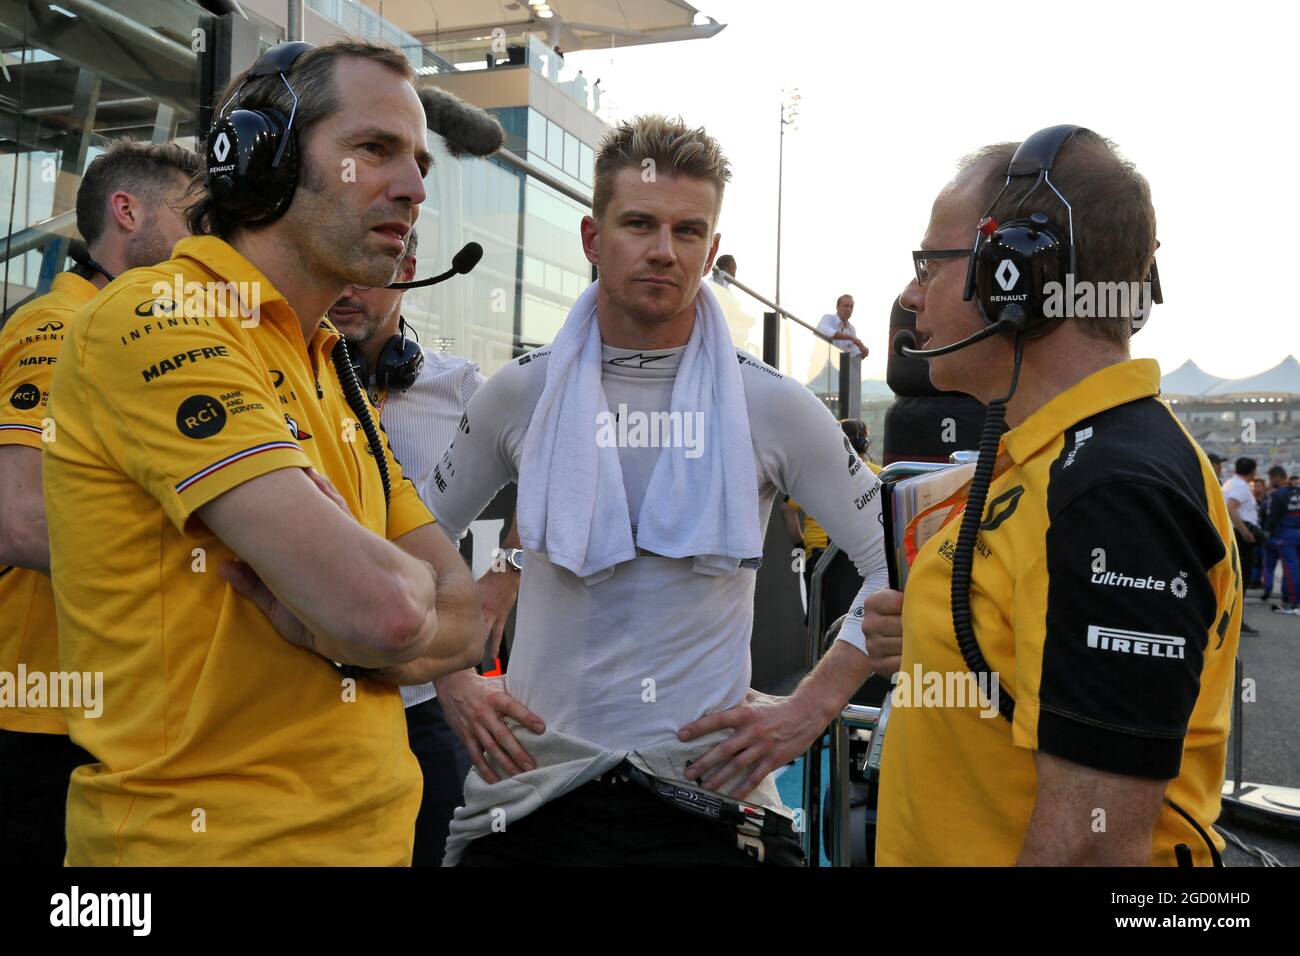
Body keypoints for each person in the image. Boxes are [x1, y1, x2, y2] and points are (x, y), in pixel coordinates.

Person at [42, 39, 483, 865]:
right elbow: (385, 609)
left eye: (419, 162)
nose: (415, 188)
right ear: (260, 159)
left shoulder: (327, 363)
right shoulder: (161, 316)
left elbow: (464, 621)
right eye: (373, 150)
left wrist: (329, 630)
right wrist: (375, 616)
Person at [425, 114, 890, 866]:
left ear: (710, 249)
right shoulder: (520, 391)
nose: (663, 251)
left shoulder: (772, 404)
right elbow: (416, 537)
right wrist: (452, 682)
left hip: (708, 789)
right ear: (591, 238)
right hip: (537, 789)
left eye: (687, 231)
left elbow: (897, 556)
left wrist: (814, 707)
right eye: (639, 223)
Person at [865, 126, 1241, 866]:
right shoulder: (1045, 458)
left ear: (1015, 275)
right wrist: (937, 649)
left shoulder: (1114, 494)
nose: (911, 294)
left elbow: (1089, 850)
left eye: (929, 264)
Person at [0, 140, 199, 865]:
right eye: (191, 217)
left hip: (89, 706)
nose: (203, 239)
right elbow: (18, 521)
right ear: (127, 212)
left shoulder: (121, 327)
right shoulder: (60, 328)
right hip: (39, 714)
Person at [326, 227, 522, 865]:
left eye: (366, 271)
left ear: (409, 268)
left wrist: (507, 571)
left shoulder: (462, 387)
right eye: (334, 269)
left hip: (428, 691)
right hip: (304, 691)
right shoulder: (290, 375)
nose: (346, 290)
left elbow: (559, 469)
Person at [1223, 457, 1261, 633]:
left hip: (1232, 535)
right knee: (1242, 580)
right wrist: (1246, 532)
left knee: (1236, 579)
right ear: (1253, 472)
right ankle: (1236, 622)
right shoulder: (1241, 487)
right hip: (1241, 538)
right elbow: (1231, 507)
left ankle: (1232, 620)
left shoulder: (1231, 483)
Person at [1263, 465, 1300, 609]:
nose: (1271, 481)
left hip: (1286, 533)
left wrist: (1268, 532)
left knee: (1290, 568)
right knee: (1296, 567)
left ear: (1277, 477)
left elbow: (1273, 517)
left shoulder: (1278, 494)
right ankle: (1288, 596)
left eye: (1271, 479)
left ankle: (1292, 600)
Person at [816, 293, 868, 358]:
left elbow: (854, 354)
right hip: (822, 364)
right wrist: (850, 338)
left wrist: (863, 353)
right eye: (845, 306)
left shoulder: (851, 329)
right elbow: (827, 332)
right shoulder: (828, 318)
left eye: (851, 306)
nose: (849, 310)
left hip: (840, 366)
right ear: (837, 307)